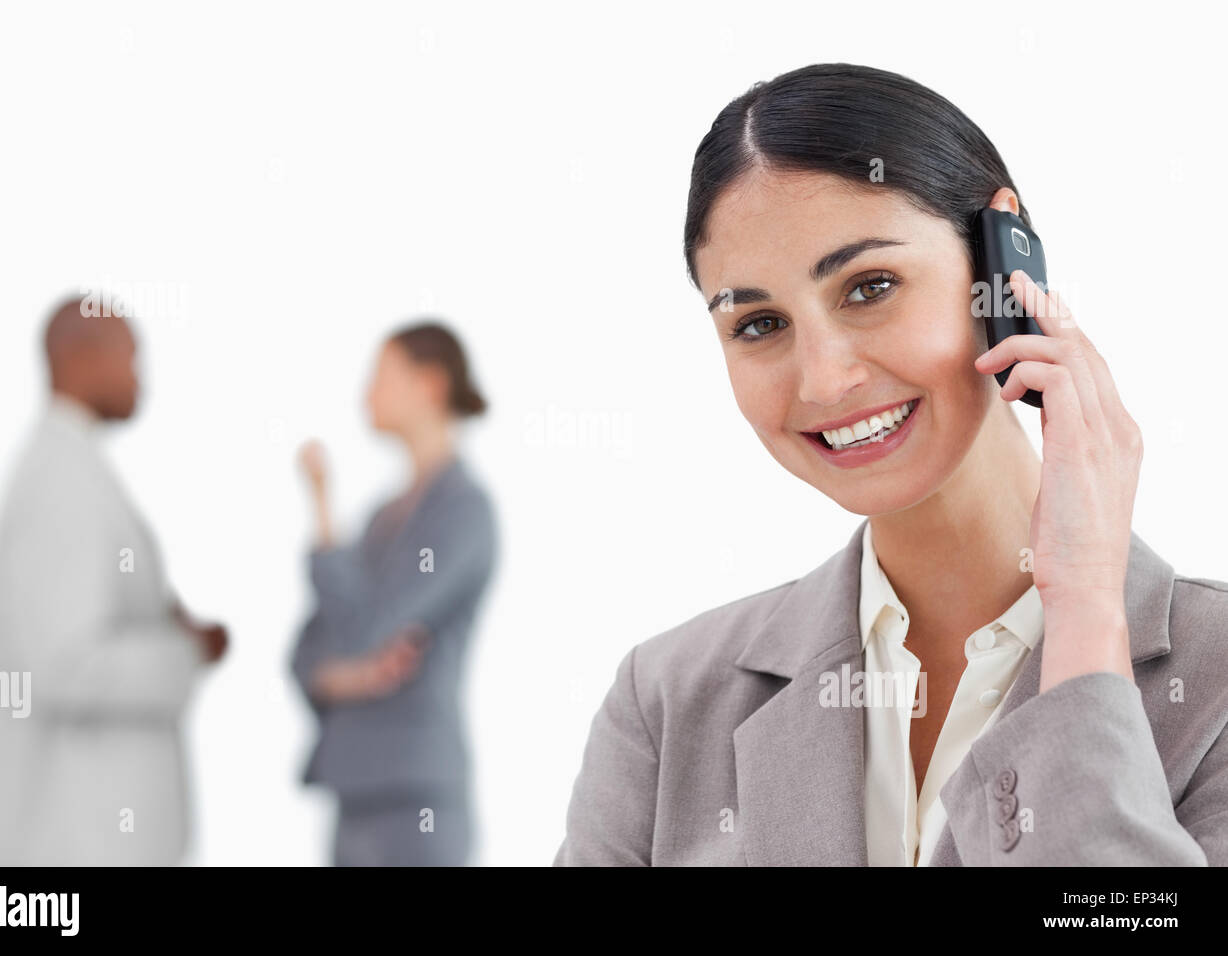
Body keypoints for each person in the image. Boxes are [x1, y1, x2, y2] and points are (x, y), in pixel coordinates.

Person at [554, 63, 1228, 866]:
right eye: (761, 324)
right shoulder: (666, 702)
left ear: (1003, 262)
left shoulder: (1212, 679)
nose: (823, 380)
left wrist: (1085, 606)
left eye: (870, 286)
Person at [0, 294, 228, 866]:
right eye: (130, 358)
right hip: (77, 849)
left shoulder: (72, 471)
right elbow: (65, 664)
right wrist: (184, 652)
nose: (140, 380)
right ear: (82, 357)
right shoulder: (61, 483)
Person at [291, 320, 498, 867]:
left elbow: (363, 628)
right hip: (355, 791)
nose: (366, 395)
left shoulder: (463, 510)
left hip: (415, 798)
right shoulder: (382, 518)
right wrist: (346, 676)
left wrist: (321, 508)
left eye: (381, 377)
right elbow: (307, 652)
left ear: (429, 385)